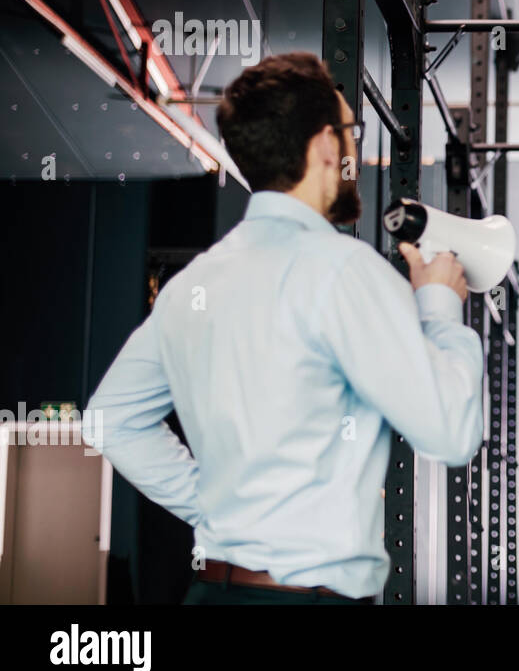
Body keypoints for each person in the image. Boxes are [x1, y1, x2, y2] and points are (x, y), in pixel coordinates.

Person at [81, 52, 483, 604]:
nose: (354, 150)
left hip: (210, 593)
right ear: (324, 146)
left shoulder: (190, 287)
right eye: (350, 132)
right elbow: (453, 434)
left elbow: (109, 420)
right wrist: (438, 305)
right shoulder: (345, 270)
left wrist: (219, 503)